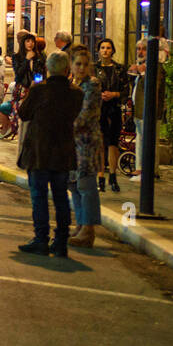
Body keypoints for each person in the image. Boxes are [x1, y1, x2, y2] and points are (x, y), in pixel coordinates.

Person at [15, 50, 82, 258]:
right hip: (63, 151)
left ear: (47, 69)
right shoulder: (76, 93)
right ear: (66, 69)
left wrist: (31, 93)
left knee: (39, 197)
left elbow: (24, 113)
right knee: (61, 197)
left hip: (39, 151)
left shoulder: (39, 90)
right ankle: (61, 241)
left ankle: (41, 239)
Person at [67, 45, 103, 249]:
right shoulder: (73, 84)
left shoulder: (92, 85)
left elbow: (86, 114)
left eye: (85, 64)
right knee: (73, 184)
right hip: (72, 142)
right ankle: (80, 223)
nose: (81, 68)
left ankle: (89, 228)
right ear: (71, 65)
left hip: (86, 141)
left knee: (86, 185)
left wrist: (65, 127)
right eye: (77, 64)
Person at [93, 39, 126, 193]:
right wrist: (99, 95)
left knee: (113, 143)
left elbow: (126, 91)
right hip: (99, 109)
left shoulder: (119, 69)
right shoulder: (93, 68)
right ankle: (100, 177)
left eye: (108, 48)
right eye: (102, 48)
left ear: (112, 50)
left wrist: (114, 94)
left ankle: (112, 176)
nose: (105, 50)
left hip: (114, 109)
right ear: (98, 50)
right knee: (100, 143)